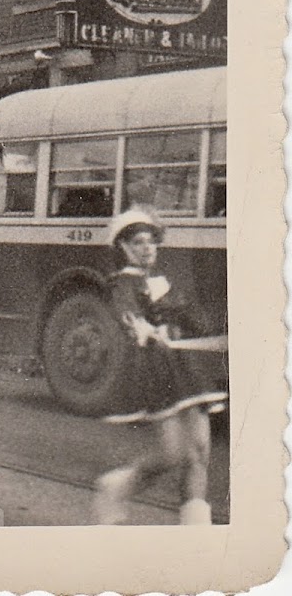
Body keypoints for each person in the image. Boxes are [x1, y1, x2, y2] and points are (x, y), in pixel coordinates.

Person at [92, 208, 228, 525]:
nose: (147, 248)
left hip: (191, 369)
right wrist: (148, 331)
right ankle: (116, 487)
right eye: (138, 242)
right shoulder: (121, 284)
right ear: (123, 247)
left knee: (199, 452)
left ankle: (196, 534)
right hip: (159, 372)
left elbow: (195, 320)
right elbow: (129, 317)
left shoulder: (163, 282)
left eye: (151, 242)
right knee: (172, 454)